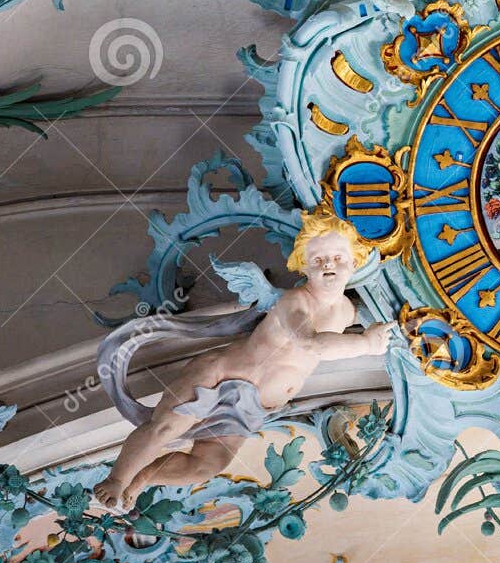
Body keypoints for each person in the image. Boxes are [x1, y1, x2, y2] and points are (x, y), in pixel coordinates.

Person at [92, 210, 394, 509]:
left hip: (252, 408)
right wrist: (366, 343)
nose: (329, 264)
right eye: (318, 259)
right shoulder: (295, 301)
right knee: (165, 429)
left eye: (338, 258)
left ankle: (144, 477)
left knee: (207, 465)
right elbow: (311, 344)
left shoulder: (347, 312)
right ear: (304, 266)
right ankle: (117, 479)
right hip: (221, 378)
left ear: (356, 261)